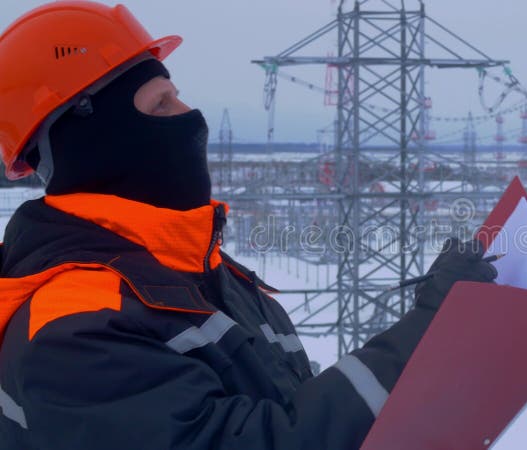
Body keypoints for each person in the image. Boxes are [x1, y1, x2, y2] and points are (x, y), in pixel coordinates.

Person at [0, 2, 497, 449]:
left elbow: (292, 409)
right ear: (97, 140)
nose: (190, 117)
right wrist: (433, 333)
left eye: (178, 96)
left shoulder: (203, 274)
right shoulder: (74, 329)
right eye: (160, 104)